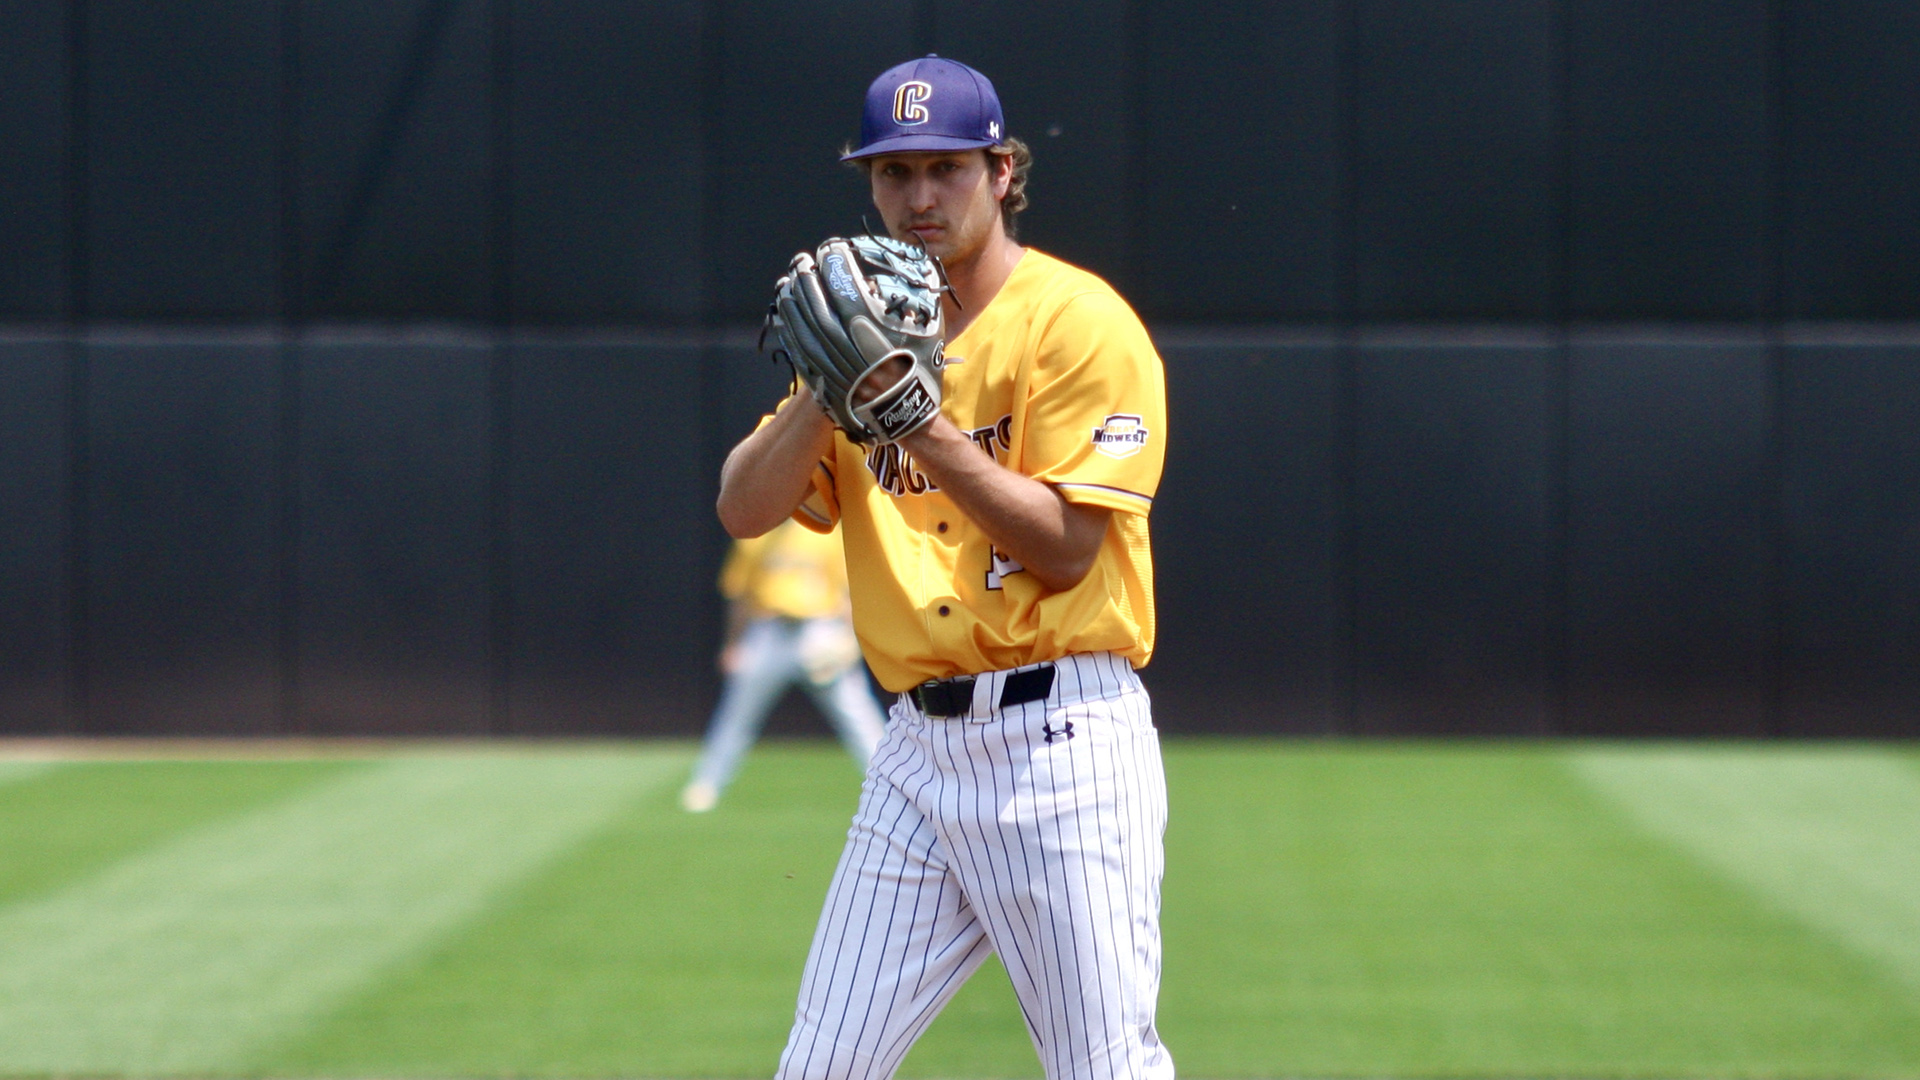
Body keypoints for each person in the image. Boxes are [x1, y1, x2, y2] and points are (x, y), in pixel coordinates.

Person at [716, 55, 1172, 1080]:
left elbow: (1064, 550)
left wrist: (915, 422)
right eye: (893, 174)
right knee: (818, 1068)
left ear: (1002, 171)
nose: (919, 198)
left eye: (946, 170)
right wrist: (823, 389)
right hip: (919, 754)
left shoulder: (1075, 320)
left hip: (1061, 743)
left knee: (1103, 1067)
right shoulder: (870, 331)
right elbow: (745, 507)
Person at [681, 519, 888, 813]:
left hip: (819, 632)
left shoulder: (826, 531)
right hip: (768, 631)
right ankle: (706, 784)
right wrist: (733, 644)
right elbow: (740, 594)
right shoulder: (755, 533)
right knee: (737, 714)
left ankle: (891, 784)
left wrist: (849, 637)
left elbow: (846, 591)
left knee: (857, 714)